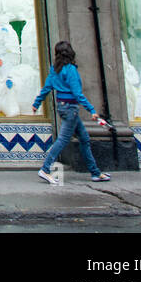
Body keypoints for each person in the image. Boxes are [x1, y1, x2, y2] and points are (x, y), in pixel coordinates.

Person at [32, 40, 111, 184]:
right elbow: (77, 93)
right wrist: (92, 110)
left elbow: (47, 87)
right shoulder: (71, 70)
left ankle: (95, 172)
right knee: (63, 140)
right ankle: (45, 168)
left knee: (84, 139)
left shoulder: (54, 69)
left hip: (62, 108)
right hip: (71, 109)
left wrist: (37, 103)